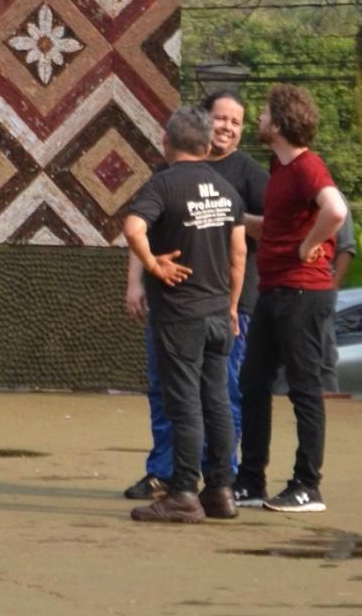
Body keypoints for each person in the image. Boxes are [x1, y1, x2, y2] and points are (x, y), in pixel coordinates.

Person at [123, 88, 266, 500]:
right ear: (204, 141)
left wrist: (153, 266)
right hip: (221, 311)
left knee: (182, 400)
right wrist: (233, 306)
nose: (228, 128)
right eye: (222, 119)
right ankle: (220, 489)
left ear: (167, 142)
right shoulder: (227, 190)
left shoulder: (167, 184)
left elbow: (134, 229)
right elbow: (238, 255)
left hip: (180, 313)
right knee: (216, 398)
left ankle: (183, 492)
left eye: (236, 122)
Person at [235, 83, 348, 513]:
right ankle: (251, 481)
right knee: (253, 382)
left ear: (280, 123)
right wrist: (232, 216)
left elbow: (335, 210)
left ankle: (307, 486)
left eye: (264, 113)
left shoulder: (306, 166)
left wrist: (308, 246)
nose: (259, 119)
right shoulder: (280, 170)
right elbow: (272, 228)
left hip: (303, 292)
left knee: (304, 388)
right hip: (274, 290)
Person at [320, 206, 355, 394]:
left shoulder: (331, 196)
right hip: (278, 293)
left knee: (323, 363)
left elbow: (346, 248)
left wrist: (331, 290)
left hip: (318, 293)